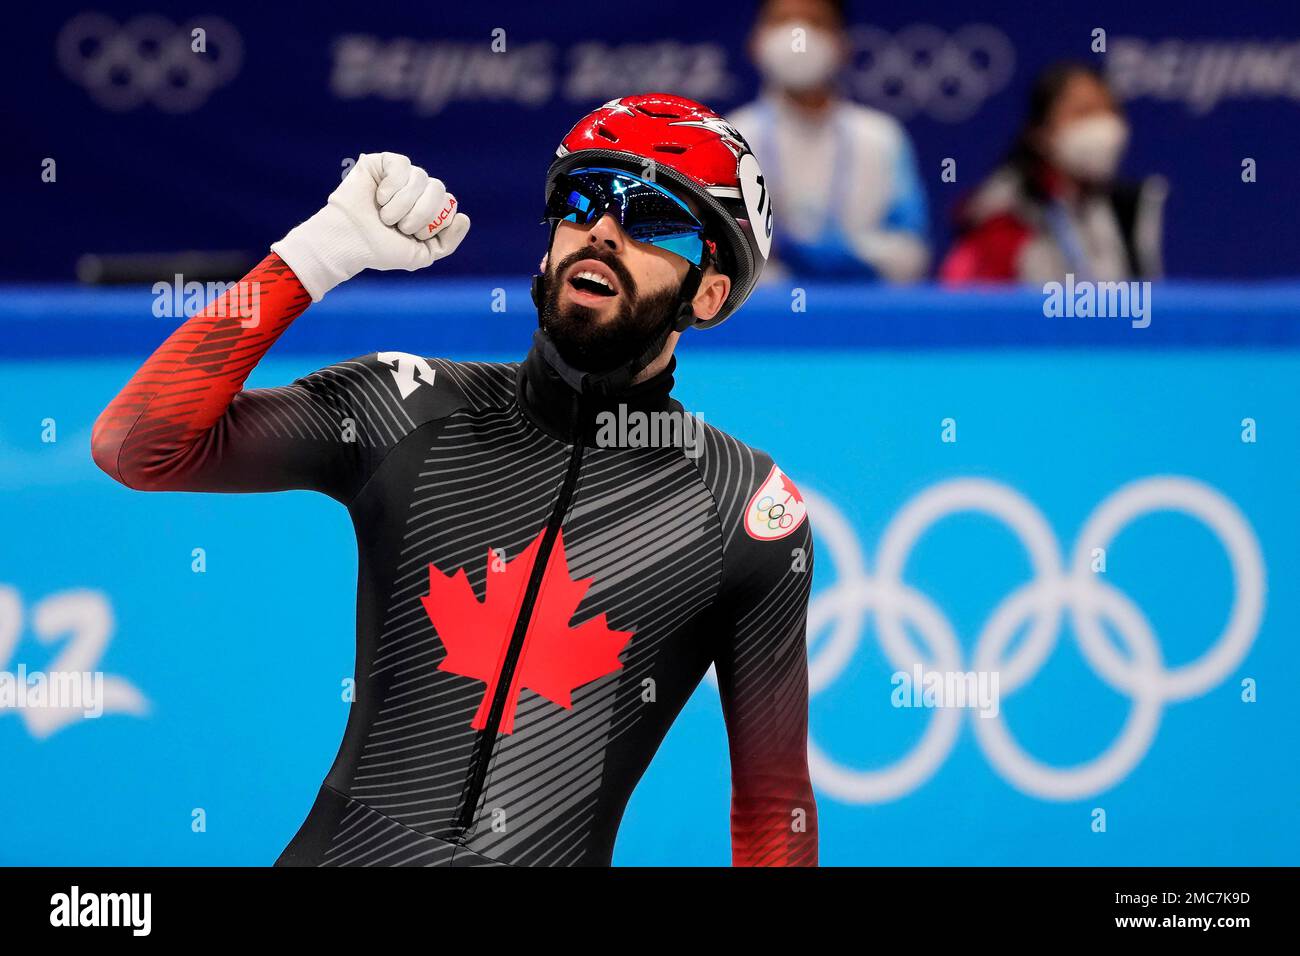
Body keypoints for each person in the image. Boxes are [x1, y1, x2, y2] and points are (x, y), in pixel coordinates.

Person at [91, 93, 818, 867]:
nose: (603, 229)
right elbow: (138, 446)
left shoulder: (742, 507)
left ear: (708, 294)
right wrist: (312, 256)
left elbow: (774, 806)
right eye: (583, 200)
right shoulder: (404, 403)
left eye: (653, 218)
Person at [729, 0, 930, 281]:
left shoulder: (883, 138)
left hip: (860, 312)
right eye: (781, 21)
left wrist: (849, 255)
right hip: (762, 315)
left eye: (816, 22)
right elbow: (721, 254)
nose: (798, 35)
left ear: (843, 45)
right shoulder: (729, 139)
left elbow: (912, 252)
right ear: (755, 42)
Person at [940, 61, 1167, 284]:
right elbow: (975, 308)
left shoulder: (1130, 207)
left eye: (1110, 111)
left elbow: (1147, 303)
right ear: (1040, 133)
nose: (1104, 127)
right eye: (1084, 112)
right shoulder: (1003, 215)